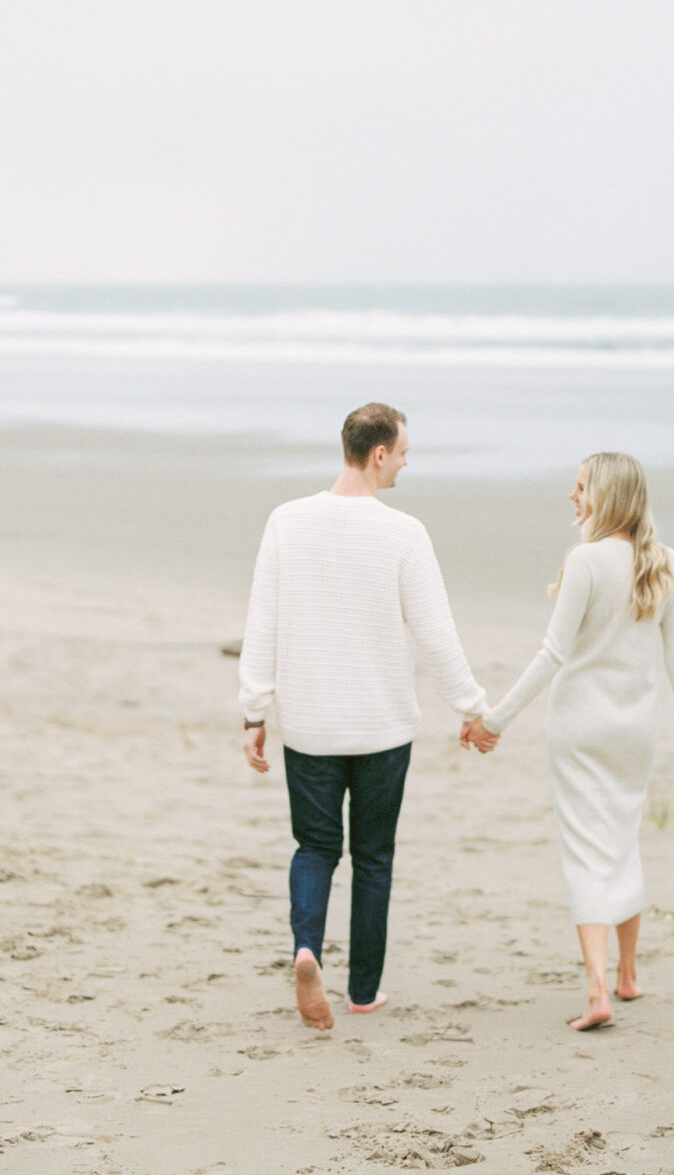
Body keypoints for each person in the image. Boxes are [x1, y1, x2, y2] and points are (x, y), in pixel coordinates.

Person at [238, 402, 490, 1031]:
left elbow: (261, 620)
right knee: (374, 856)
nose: (406, 462)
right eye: (403, 451)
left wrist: (253, 710)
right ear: (379, 454)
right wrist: (472, 707)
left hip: (310, 724)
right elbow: (435, 635)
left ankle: (305, 949)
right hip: (381, 728)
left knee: (316, 847)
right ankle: (363, 991)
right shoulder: (404, 533)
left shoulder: (286, 522)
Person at [462, 452, 674, 1031]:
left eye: (580, 489)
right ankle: (628, 975)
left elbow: (553, 655)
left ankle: (598, 990)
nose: (572, 498)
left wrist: (493, 721)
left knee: (585, 855)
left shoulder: (586, 561)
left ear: (606, 496)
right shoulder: (668, 563)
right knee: (621, 842)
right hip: (635, 731)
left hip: (579, 728)